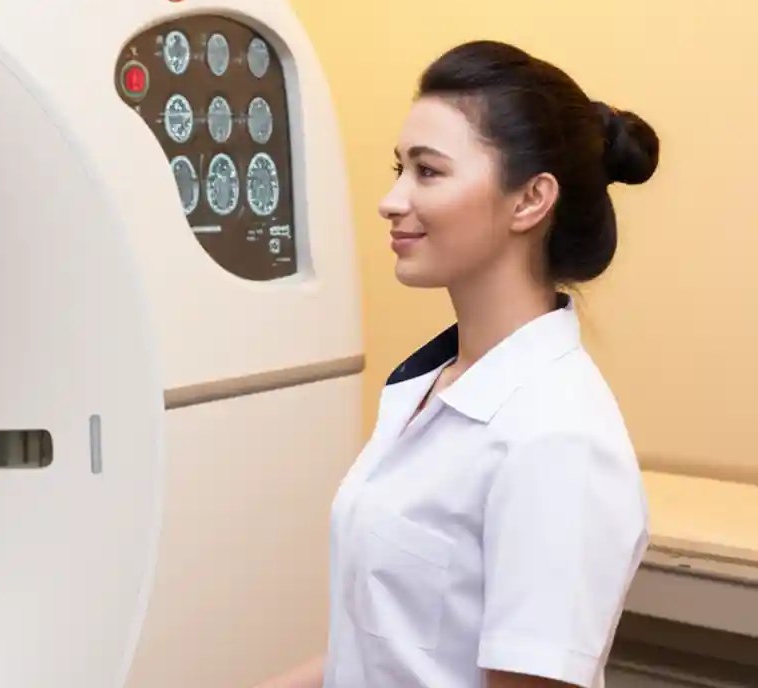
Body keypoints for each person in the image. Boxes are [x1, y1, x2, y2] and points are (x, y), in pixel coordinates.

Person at [255, 39, 660, 688]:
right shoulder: (435, 388)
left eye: (428, 171)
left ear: (530, 200)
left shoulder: (557, 440)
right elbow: (387, 653)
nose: (391, 199)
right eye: (399, 168)